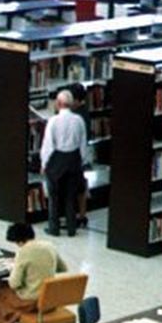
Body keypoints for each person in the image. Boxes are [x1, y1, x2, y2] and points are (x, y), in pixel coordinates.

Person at [0, 223, 68, 323]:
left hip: (32, 301)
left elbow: (14, 284)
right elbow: (63, 268)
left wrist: (14, 269)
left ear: (18, 240)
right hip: (50, 300)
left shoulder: (23, 252)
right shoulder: (49, 246)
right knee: (5, 296)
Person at [40, 89, 87, 237]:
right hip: (74, 160)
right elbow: (83, 144)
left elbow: (48, 145)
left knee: (54, 196)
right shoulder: (79, 120)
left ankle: (54, 228)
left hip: (57, 160)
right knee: (70, 195)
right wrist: (82, 161)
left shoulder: (53, 121)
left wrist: (44, 163)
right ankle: (71, 228)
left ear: (59, 104)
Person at [68, 83, 91, 229]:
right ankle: (81, 215)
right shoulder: (83, 112)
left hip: (76, 155)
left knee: (76, 186)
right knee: (80, 185)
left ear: (76, 100)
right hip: (81, 154)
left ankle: (78, 215)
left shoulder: (78, 116)